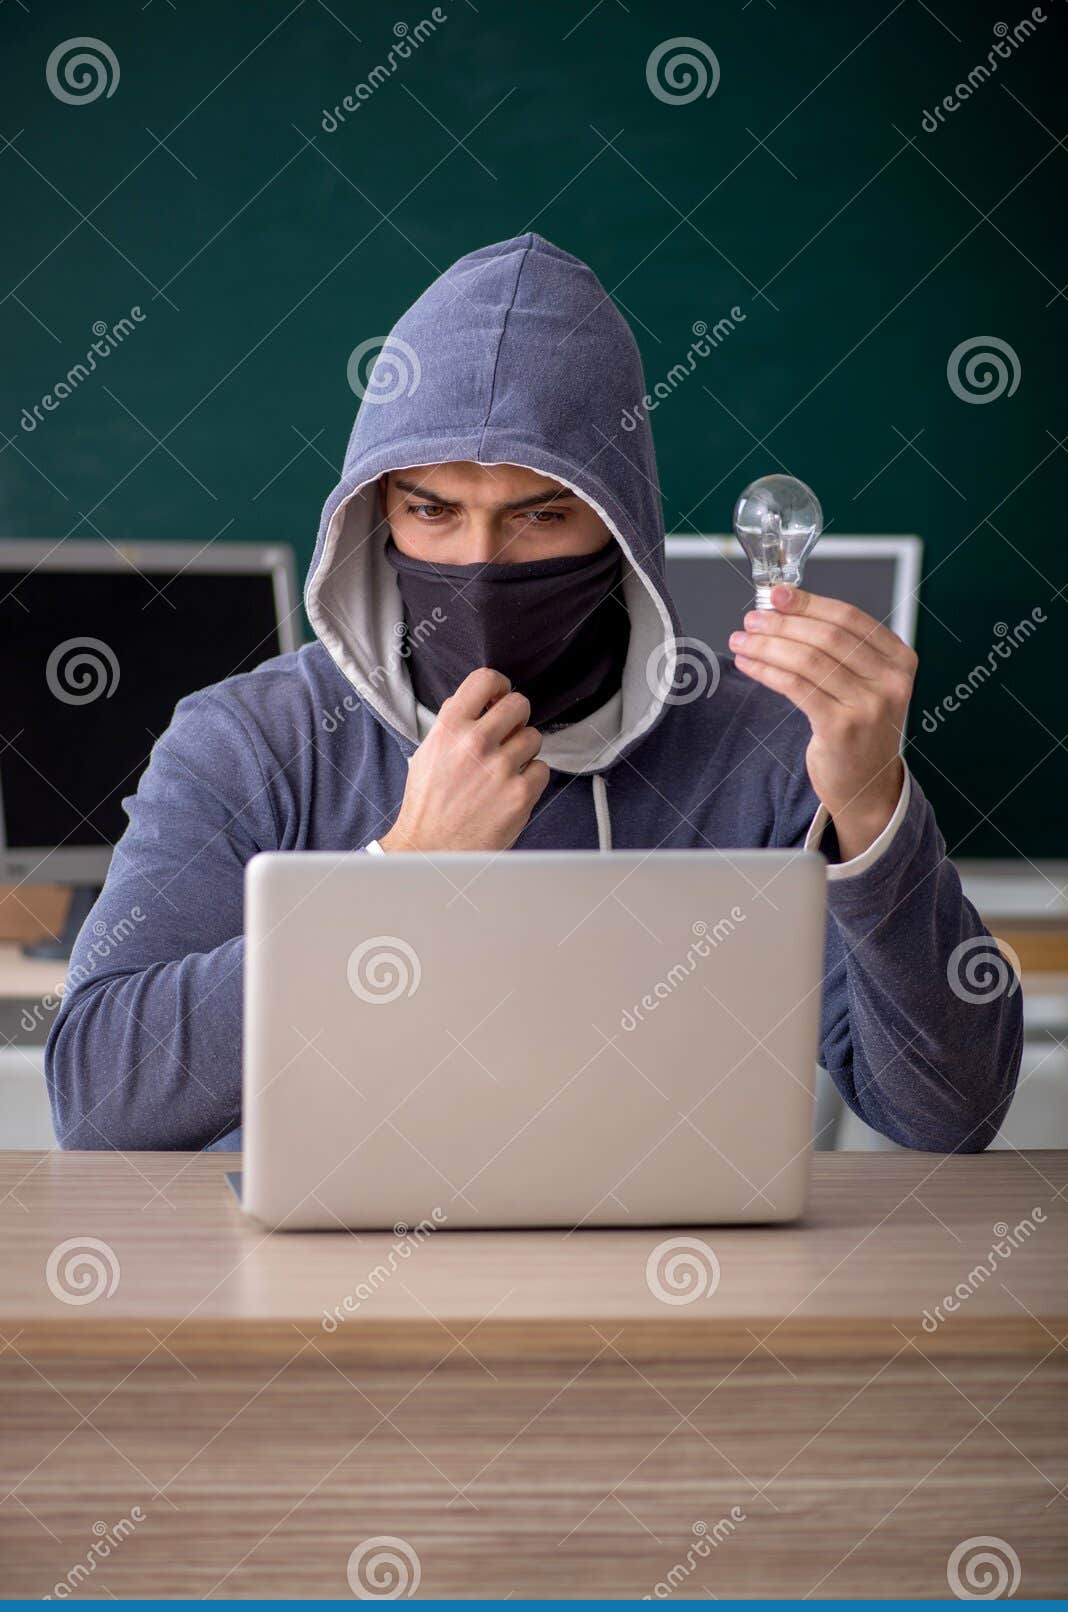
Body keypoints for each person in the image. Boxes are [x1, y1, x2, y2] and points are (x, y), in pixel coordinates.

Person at [46, 234, 1022, 1154]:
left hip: (670, 1268)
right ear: (376, 513)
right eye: (433, 510)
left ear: (620, 525)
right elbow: (97, 1099)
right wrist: (403, 876)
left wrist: (873, 811)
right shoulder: (249, 741)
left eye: (541, 516)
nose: (480, 564)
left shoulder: (763, 750)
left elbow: (949, 1114)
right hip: (316, 1276)